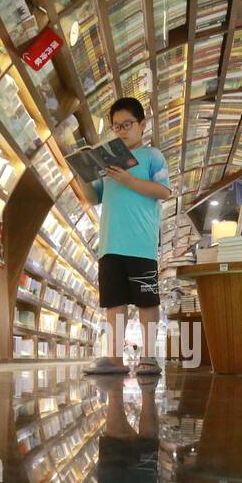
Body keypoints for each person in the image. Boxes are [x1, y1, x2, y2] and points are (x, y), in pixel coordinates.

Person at [84, 97, 172, 378]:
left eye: (127, 124)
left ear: (142, 125)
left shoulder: (152, 156)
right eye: (116, 127)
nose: (121, 131)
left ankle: (149, 355)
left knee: (147, 302)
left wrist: (129, 180)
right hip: (110, 243)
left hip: (141, 244)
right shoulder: (107, 163)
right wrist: (79, 173)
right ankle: (115, 358)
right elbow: (91, 197)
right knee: (114, 303)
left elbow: (164, 192)